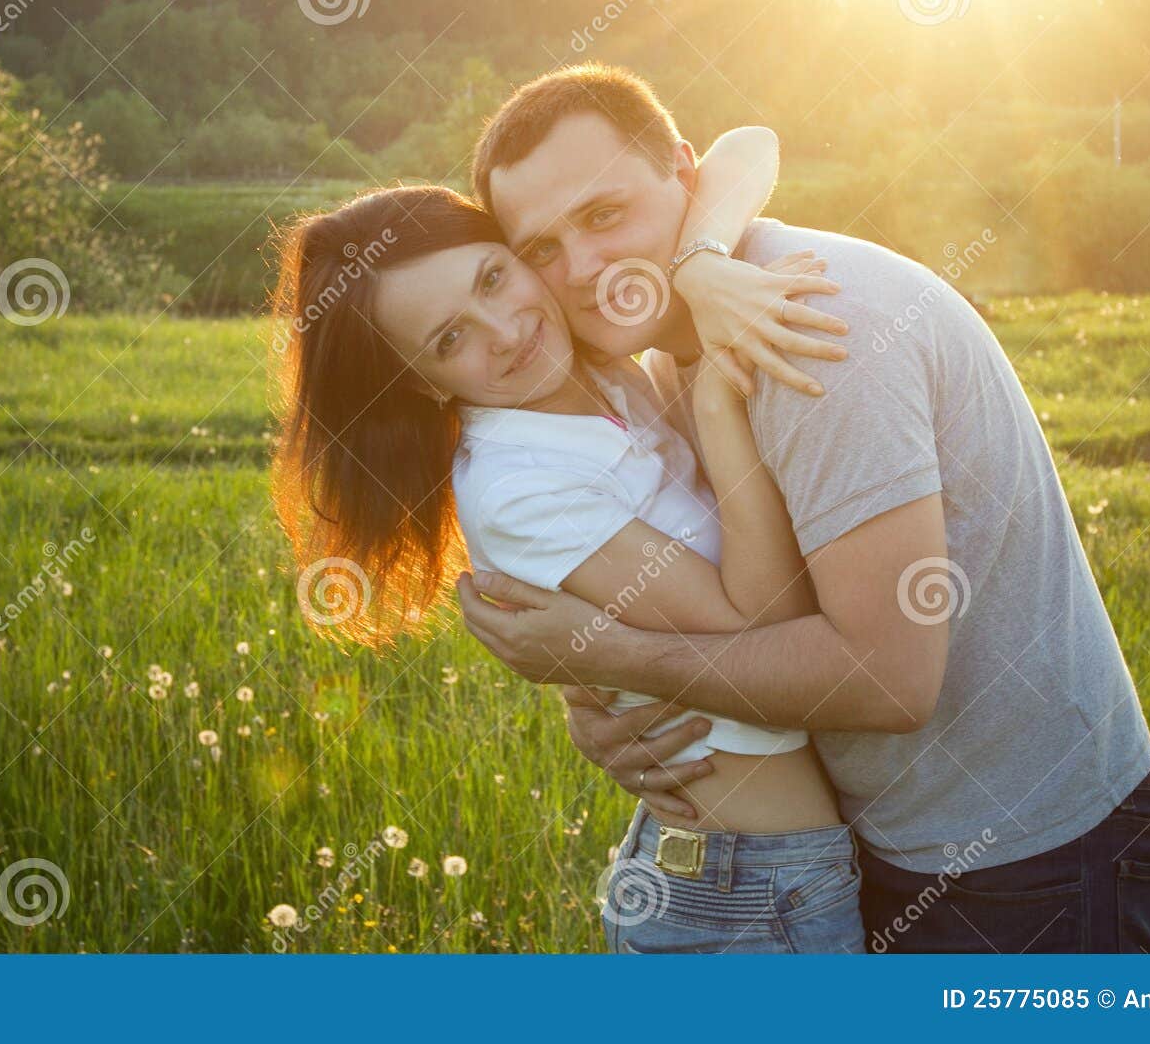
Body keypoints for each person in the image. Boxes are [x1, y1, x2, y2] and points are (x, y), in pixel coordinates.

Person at [456, 63, 1150, 953]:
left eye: (604, 215)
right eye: (540, 251)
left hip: (1020, 855)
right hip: (884, 833)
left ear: (684, 179)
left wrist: (608, 651)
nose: (583, 268)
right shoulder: (674, 349)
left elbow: (885, 675)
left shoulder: (806, 330)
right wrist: (608, 699)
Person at [270, 127, 876, 952]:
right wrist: (716, 412)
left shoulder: (599, 361)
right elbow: (760, 621)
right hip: (742, 893)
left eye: (495, 276)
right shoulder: (519, 490)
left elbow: (750, 146)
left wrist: (696, 266)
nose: (504, 329)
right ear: (418, 379)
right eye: (450, 338)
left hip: (784, 869)